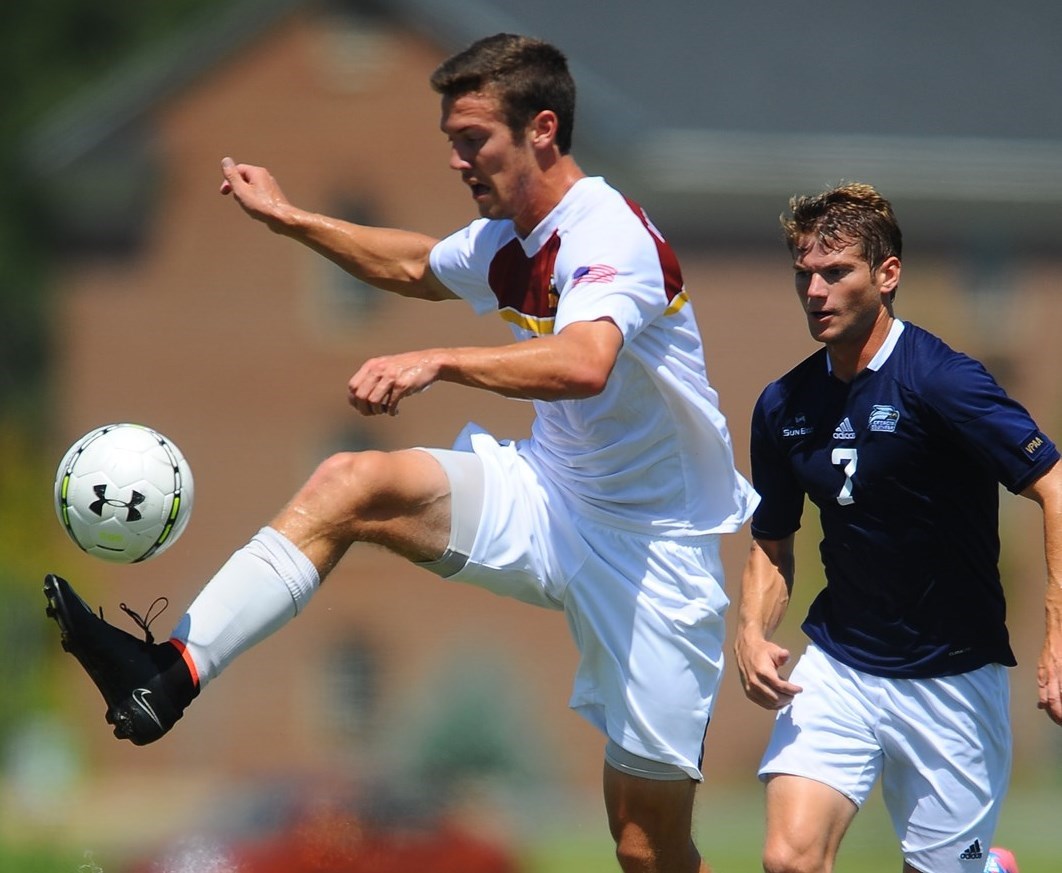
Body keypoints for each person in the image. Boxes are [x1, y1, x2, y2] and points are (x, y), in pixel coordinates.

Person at [44, 33, 757, 873]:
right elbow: (418, 262)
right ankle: (167, 673)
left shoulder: (609, 233)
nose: (458, 161)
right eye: (450, 142)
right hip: (549, 497)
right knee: (353, 482)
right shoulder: (506, 241)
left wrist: (438, 359)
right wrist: (290, 218)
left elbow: (583, 362)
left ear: (543, 130)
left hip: (655, 556)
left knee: (645, 847)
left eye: (473, 141)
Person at [734, 181, 1060, 873]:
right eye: (804, 274)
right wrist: (752, 631)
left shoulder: (943, 382)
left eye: (836, 271)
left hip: (953, 679)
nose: (815, 291)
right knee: (789, 859)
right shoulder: (783, 405)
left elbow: (1055, 486)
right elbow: (772, 536)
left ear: (887, 275)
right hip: (840, 663)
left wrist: (1059, 636)